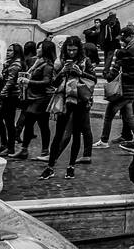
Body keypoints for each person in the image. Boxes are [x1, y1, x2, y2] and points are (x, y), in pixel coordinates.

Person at [41, 36, 97, 180]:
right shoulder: (60, 62)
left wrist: (80, 72)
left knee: (77, 135)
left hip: (80, 101)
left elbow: (94, 79)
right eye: (69, 50)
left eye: (74, 50)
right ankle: (50, 166)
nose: (71, 53)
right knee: (58, 134)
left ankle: (71, 166)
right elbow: (53, 82)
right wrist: (62, 72)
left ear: (79, 50)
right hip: (64, 100)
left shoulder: (85, 62)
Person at [14, 40, 56, 160]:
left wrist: (29, 82)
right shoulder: (36, 62)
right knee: (35, 124)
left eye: (40, 48)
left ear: (45, 51)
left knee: (37, 123)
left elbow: (47, 81)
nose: (37, 50)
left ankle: (41, 151)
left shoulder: (47, 65)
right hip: (33, 97)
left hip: (42, 99)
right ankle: (28, 150)